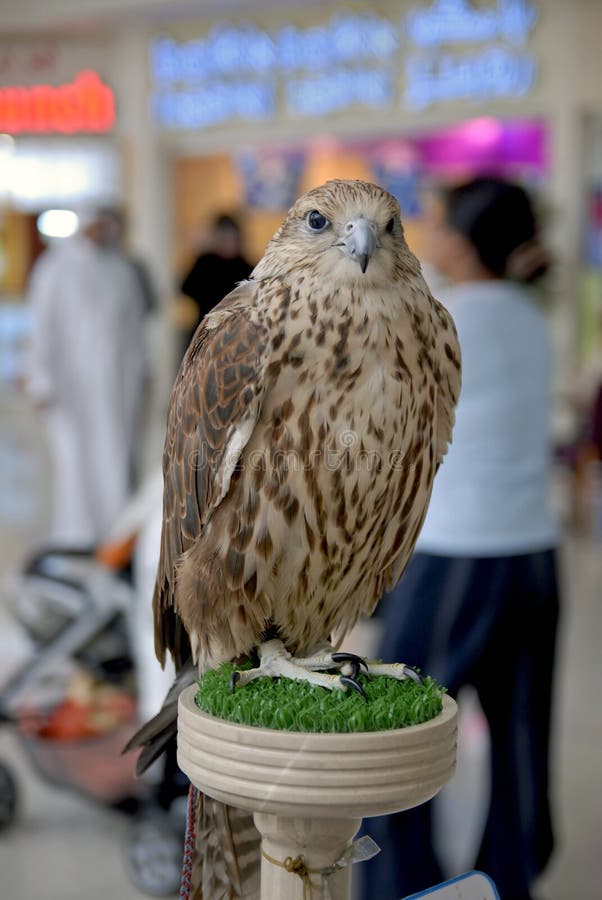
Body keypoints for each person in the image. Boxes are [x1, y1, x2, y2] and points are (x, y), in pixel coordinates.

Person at [359, 177, 560, 900]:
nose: (428, 234)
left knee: (398, 739)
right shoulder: (529, 315)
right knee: (519, 740)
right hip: (533, 556)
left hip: (455, 559)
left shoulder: (441, 316)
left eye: (439, 222)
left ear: (469, 240)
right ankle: (508, 882)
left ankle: (398, 887)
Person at [27, 209, 146, 547]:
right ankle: (76, 536)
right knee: (74, 460)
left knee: (115, 455)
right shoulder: (54, 269)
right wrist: (40, 378)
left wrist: (142, 371)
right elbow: (42, 326)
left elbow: (134, 329)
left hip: (116, 383)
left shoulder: (121, 271)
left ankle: (115, 532)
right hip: (70, 386)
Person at [179, 213, 252, 350]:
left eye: (229, 237)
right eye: (222, 237)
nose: (226, 242)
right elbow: (185, 288)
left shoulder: (247, 269)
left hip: (238, 336)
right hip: (205, 334)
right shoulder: (205, 262)